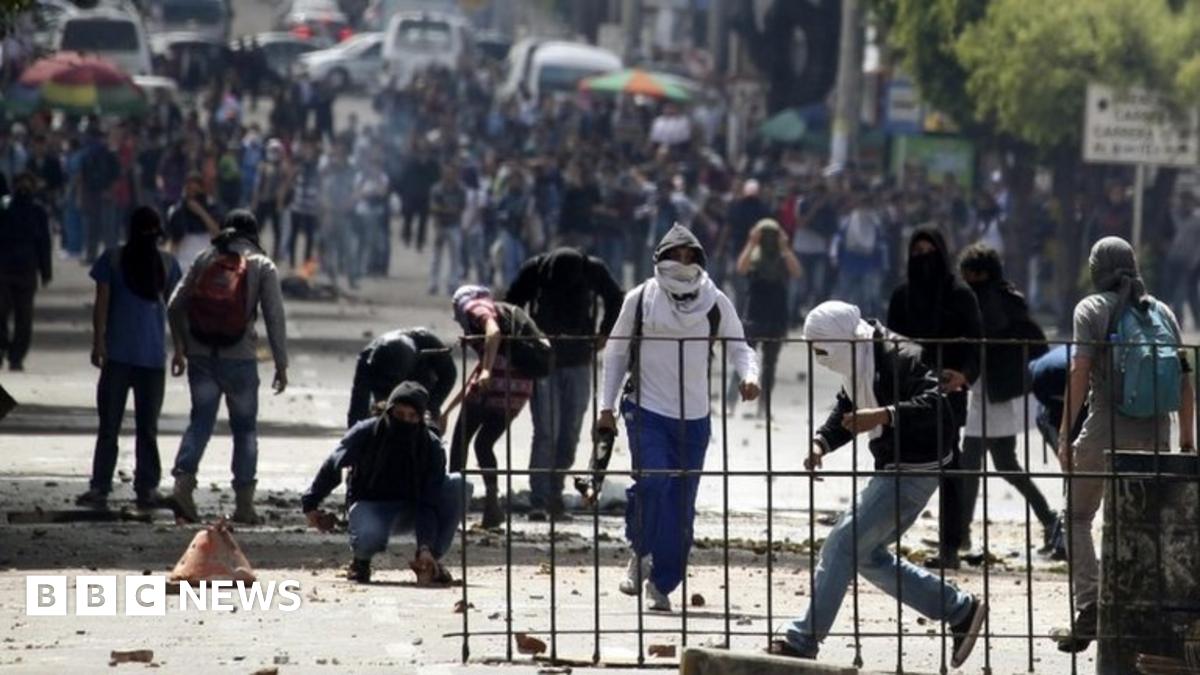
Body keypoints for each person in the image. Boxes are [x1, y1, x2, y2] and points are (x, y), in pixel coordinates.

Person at [770, 301, 986, 668]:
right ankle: (960, 611)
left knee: (841, 545)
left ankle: (803, 640)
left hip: (915, 467)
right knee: (866, 556)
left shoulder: (901, 355)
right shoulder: (861, 356)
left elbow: (937, 406)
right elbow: (848, 405)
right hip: (895, 464)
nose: (819, 357)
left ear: (840, 340)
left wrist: (885, 414)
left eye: (822, 349)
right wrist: (821, 442)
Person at [597, 224, 760, 612]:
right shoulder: (640, 299)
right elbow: (617, 353)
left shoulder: (714, 301)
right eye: (676, 256)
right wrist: (605, 406)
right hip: (647, 410)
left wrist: (749, 376)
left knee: (682, 505)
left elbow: (740, 346)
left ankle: (663, 582)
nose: (683, 265)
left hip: (695, 418)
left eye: (691, 258)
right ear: (661, 259)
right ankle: (640, 550)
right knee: (653, 484)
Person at [1053, 236, 1195, 653]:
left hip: (1105, 428)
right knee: (1145, 523)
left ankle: (1091, 604)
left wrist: (1064, 435)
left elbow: (1079, 373)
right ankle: (1143, 614)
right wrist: (1186, 441)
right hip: (1157, 432)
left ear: (1097, 268)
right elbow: (1186, 378)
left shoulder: (1090, 309)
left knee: (1077, 516)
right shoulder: (1163, 311)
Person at [167, 210, 288, 525]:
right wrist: (281, 363)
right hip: (241, 359)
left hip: (201, 358)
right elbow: (274, 317)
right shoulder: (262, 266)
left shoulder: (205, 258)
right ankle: (244, 505)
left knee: (200, 422)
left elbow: (173, 305)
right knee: (245, 430)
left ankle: (183, 485)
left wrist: (181, 347)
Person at [301, 381, 469, 584]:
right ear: (389, 412)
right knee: (369, 532)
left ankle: (429, 562)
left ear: (421, 418)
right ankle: (361, 562)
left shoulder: (430, 446)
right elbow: (333, 465)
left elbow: (429, 501)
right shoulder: (367, 432)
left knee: (459, 484)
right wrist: (310, 505)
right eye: (399, 415)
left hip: (412, 509)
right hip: (371, 507)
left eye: (412, 416)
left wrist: (425, 547)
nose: (405, 421)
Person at [886, 226, 983, 570]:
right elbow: (888, 345)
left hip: (947, 392)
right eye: (917, 254)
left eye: (930, 253)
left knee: (949, 466)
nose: (923, 260)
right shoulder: (902, 297)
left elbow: (976, 346)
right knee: (895, 464)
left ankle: (949, 546)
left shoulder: (960, 296)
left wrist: (965, 376)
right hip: (908, 395)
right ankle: (881, 539)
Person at [505, 247, 625, 520]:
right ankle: (539, 499)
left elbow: (616, 298)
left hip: (580, 360)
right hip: (542, 362)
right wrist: (524, 340)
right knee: (546, 430)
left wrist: (605, 332)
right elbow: (512, 306)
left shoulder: (593, 269)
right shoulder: (535, 270)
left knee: (569, 431)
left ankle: (555, 494)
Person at [76, 207, 182, 510]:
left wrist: (99, 343)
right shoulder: (163, 262)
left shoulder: (115, 259)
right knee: (143, 428)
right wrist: (180, 349)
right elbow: (175, 311)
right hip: (145, 359)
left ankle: (103, 487)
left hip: (122, 357)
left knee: (112, 426)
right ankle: (143, 488)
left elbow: (102, 305)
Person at [955, 244, 1055, 549]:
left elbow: (986, 340)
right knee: (1005, 463)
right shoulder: (1006, 296)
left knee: (969, 464)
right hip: (998, 390)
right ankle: (1049, 519)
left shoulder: (990, 300)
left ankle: (960, 535)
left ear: (980, 273)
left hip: (991, 392)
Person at [445, 285, 534, 529]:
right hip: (518, 390)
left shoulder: (474, 306)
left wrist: (486, 370)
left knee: (460, 443)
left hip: (495, 384)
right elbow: (474, 376)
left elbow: (493, 333)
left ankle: (453, 508)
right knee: (484, 444)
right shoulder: (497, 314)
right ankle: (492, 507)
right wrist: (446, 411)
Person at [734, 218, 801, 417]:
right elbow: (741, 268)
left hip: (776, 316)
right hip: (754, 314)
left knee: (769, 365)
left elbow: (796, 272)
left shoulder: (782, 258)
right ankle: (732, 402)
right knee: (745, 359)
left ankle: (764, 407)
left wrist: (785, 247)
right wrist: (752, 242)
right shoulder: (754, 256)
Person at [348, 328, 457, 429]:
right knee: (382, 417)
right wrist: (354, 437)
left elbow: (449, 375)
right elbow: (358, 403)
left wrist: (433, 405)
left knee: (422, 416)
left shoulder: (429, 344)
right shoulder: (367, 360)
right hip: (382, 387)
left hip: (421, 378)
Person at [0, 172, 51, 371]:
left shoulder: (38, 211)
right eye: (20, 183)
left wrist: (46, 272)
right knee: (1, 311)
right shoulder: (4, 207)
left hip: (27, 270)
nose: (24, 187)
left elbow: (44, 243)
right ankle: (2, 344)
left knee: (24, 317)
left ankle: (16, 356)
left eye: (28, 183)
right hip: (3, 267)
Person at [166, 173, 222, 275]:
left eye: (196, 191)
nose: (192, 195)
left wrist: (201, 212)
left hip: (205, 263)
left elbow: (218, 232)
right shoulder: (177, 212)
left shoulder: (211, 208)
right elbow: (174, 242)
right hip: (184, 264)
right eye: (189, 190)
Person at [427, 163, 466, 296]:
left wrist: (446, 209)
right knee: (436, 257)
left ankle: (453, 283)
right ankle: (433, 283)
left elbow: (460, 208)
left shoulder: (460, 189)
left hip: (454, 225)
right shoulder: (437, 189)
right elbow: (434, 209)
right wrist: (438, 226)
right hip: (441, 224)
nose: (449, 176)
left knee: (455, 256)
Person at [286, 135, 322, 269]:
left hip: (311, 207)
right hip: (297, 204)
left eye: (310, 149)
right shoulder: (299, 165)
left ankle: (306, 264)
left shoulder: (318, 166)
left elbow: (321, 185)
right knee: (294, 234)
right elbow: (289, 181)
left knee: (310, 237)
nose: (308, 152)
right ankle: (292, 262)